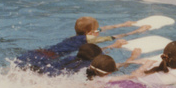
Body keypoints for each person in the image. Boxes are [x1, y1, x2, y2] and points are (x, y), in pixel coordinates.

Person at [15, 17, 147, 72]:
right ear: (89, 32)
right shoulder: (88, 40)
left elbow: (103, 29)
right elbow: (111, 38)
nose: (99, 31)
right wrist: (137, 31)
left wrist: (123, 24)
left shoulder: (78, 37)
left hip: (40, 53)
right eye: (96, 30)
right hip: (48, 57)